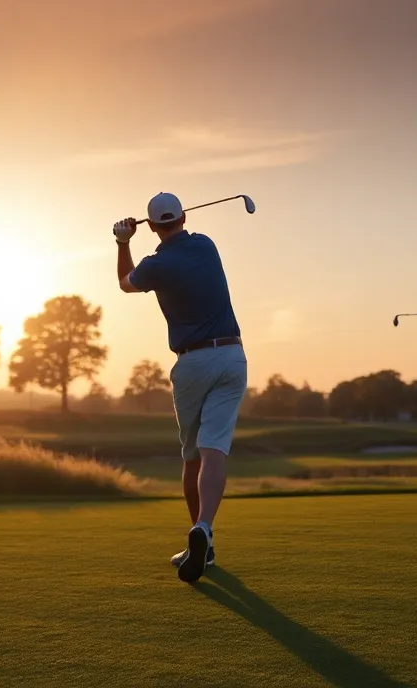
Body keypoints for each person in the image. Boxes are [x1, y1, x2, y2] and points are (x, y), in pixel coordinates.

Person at [114, 192, 248, 583]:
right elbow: (180, 238)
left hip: (192, 362)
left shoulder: (156, 265)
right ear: (184, 216)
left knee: (192, 458)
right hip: (232, 357)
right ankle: (203, 528)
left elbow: (125, 283)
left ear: (152, 226)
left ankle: (201, 545)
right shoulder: (206, 245)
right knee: (215, 449)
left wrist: (123, 242)